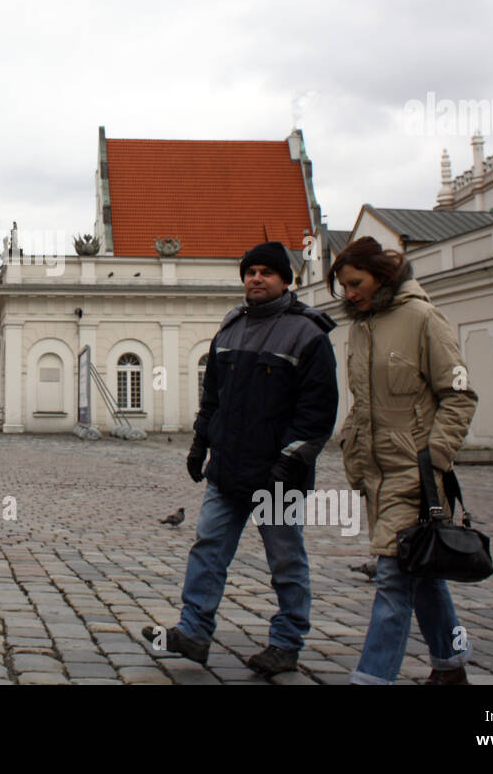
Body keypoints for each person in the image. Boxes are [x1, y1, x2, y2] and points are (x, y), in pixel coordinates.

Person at [143, 241, 339, 676]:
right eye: (250, 272)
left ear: (285, 280)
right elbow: (212, 396)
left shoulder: (308, 333)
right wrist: (200, 443)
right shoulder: (230, 329)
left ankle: (287, 641)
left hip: (278, 476)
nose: (256, 278)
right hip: (228, 468)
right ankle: (193, 630)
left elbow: (318, 413)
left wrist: (289, 463)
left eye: (267, 272)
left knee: (285, 561)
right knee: (208, 549)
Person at [329, 236, 478, 685]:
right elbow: (362, 401)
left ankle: (372, 678)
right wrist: (353, 449)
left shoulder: (422, 318)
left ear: (382, 274)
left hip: (416, 474)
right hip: (375, 472)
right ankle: (450, 666)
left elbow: (459, 394)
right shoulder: (360, 326)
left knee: (392, 578)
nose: (349, 294)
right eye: (343, 288)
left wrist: (434, 456)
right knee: (422, 570)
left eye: (356, 283)